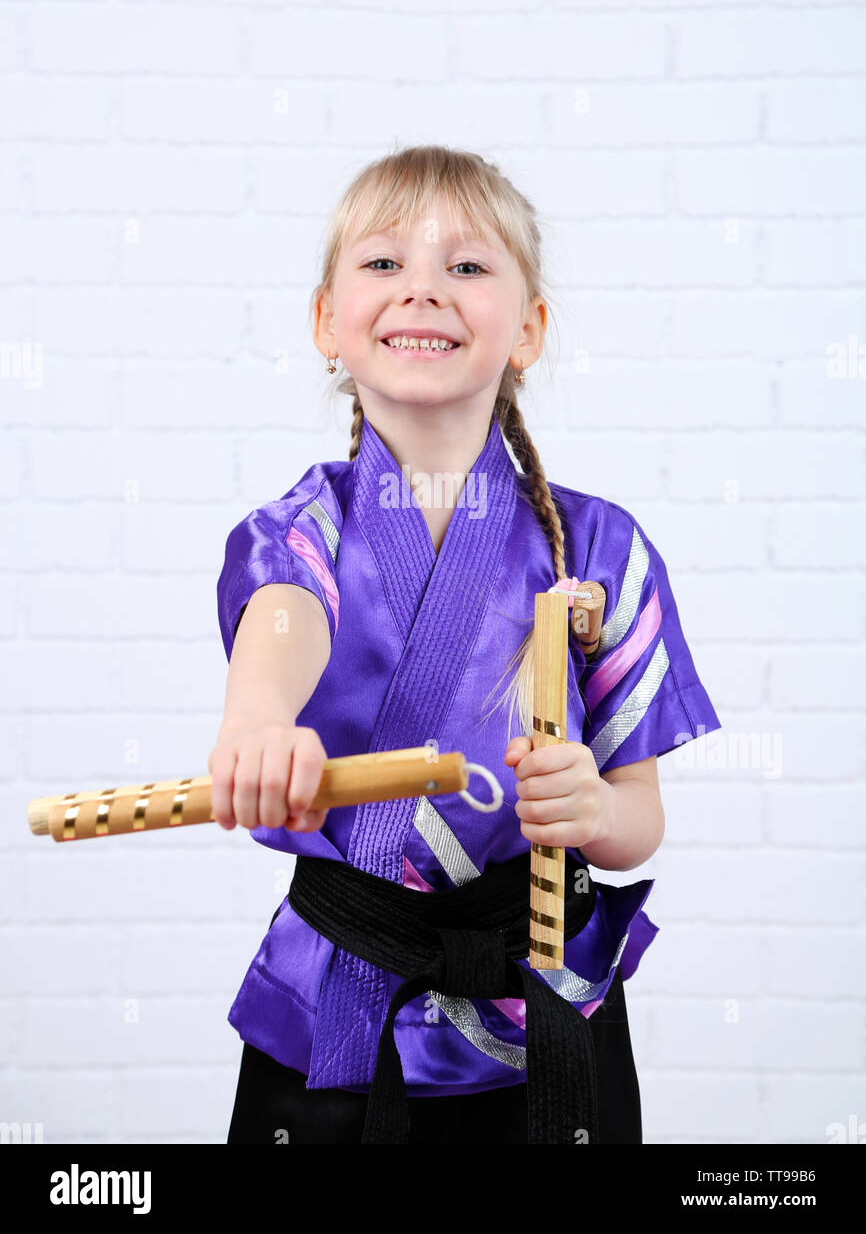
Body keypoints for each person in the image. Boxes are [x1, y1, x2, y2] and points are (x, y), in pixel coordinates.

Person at [211, 145, 721, 1145]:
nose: (424, 292)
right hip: (342, 1010)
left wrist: (592, 807)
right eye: (384, 262)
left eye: (468, 267)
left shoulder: (599, 547)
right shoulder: (300, 532)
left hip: (541, 1006)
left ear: (527, 327)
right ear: (326, 321)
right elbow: (282, 616)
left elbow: (637, 818)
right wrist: (258, 720)